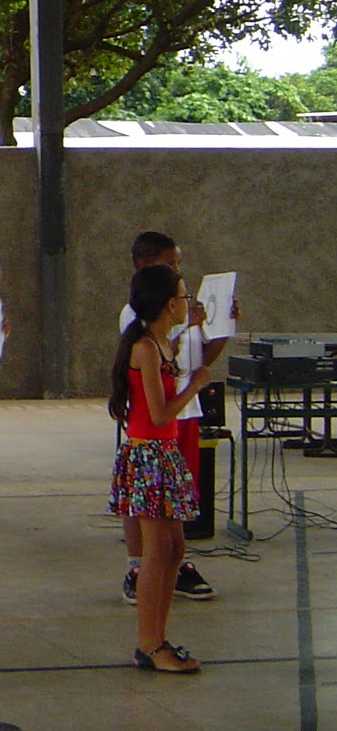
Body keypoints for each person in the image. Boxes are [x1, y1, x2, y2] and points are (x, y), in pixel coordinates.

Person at [117, 231, 232, 605]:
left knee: (176, 505)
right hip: (153, 431)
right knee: (146, 506)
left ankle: (171, 568)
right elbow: (159, 398)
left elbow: (196, 361)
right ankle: (140, 569)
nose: (178, 273)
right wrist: (193, 380)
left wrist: (217, 328)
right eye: (171, 265)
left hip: (182, 418)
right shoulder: (139, 327)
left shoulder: (174, 330)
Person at [109, 264, 210, 673]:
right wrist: (194, 386)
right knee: (157, 551)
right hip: (148, 455)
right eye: (183, 297)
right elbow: (159, 410)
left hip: (163, 453)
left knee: (175, 548)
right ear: (170, 304)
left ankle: (159, 636)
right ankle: (148, 643)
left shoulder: (162, 342)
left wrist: (196, 331)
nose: (187, 303)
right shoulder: (145, 349)